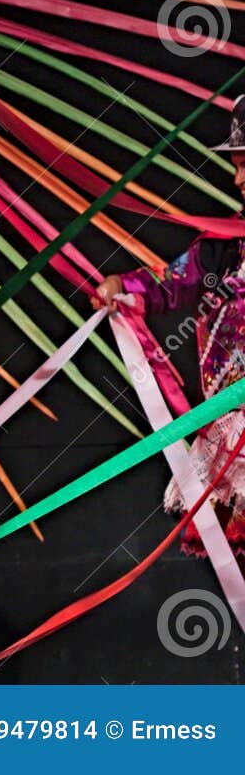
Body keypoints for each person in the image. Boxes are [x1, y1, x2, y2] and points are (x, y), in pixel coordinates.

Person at [93, 98, 245, 558]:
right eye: (237, 166)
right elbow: (173, 282)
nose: (238, 178)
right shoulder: (225, 246)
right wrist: (125, 286)